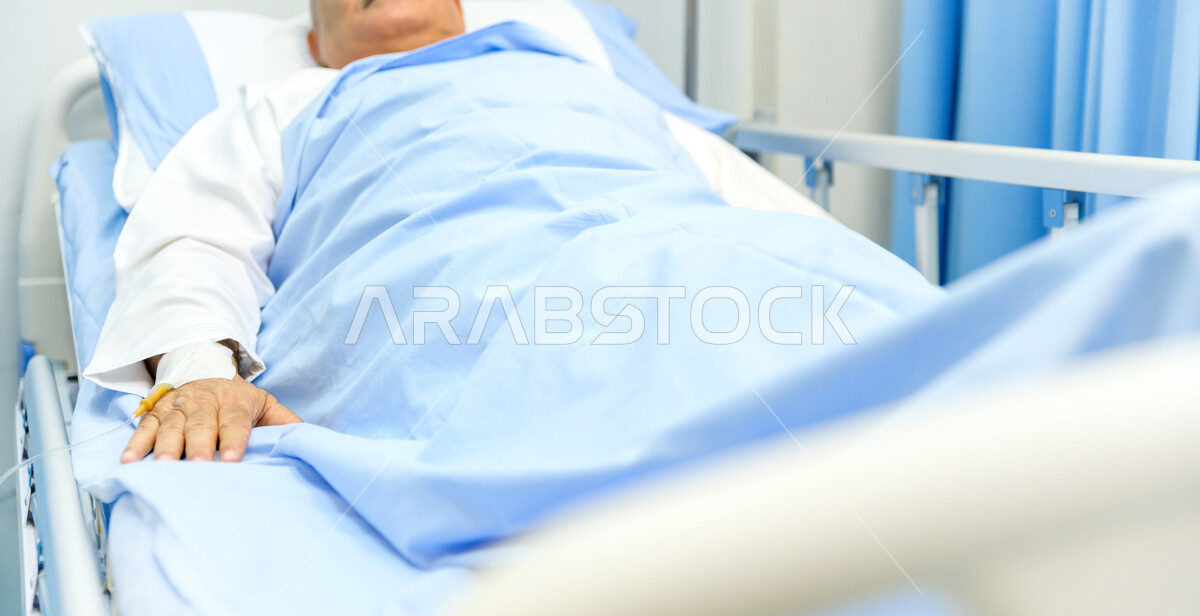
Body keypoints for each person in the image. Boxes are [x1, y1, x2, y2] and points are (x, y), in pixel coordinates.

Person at [85, 0, 828, 465]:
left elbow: (774, 220)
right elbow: (195, 241)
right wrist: (202, 371)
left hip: (685, 278)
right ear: (314, 41)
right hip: (460, 312)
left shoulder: (584, 80)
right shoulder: (284, 103)